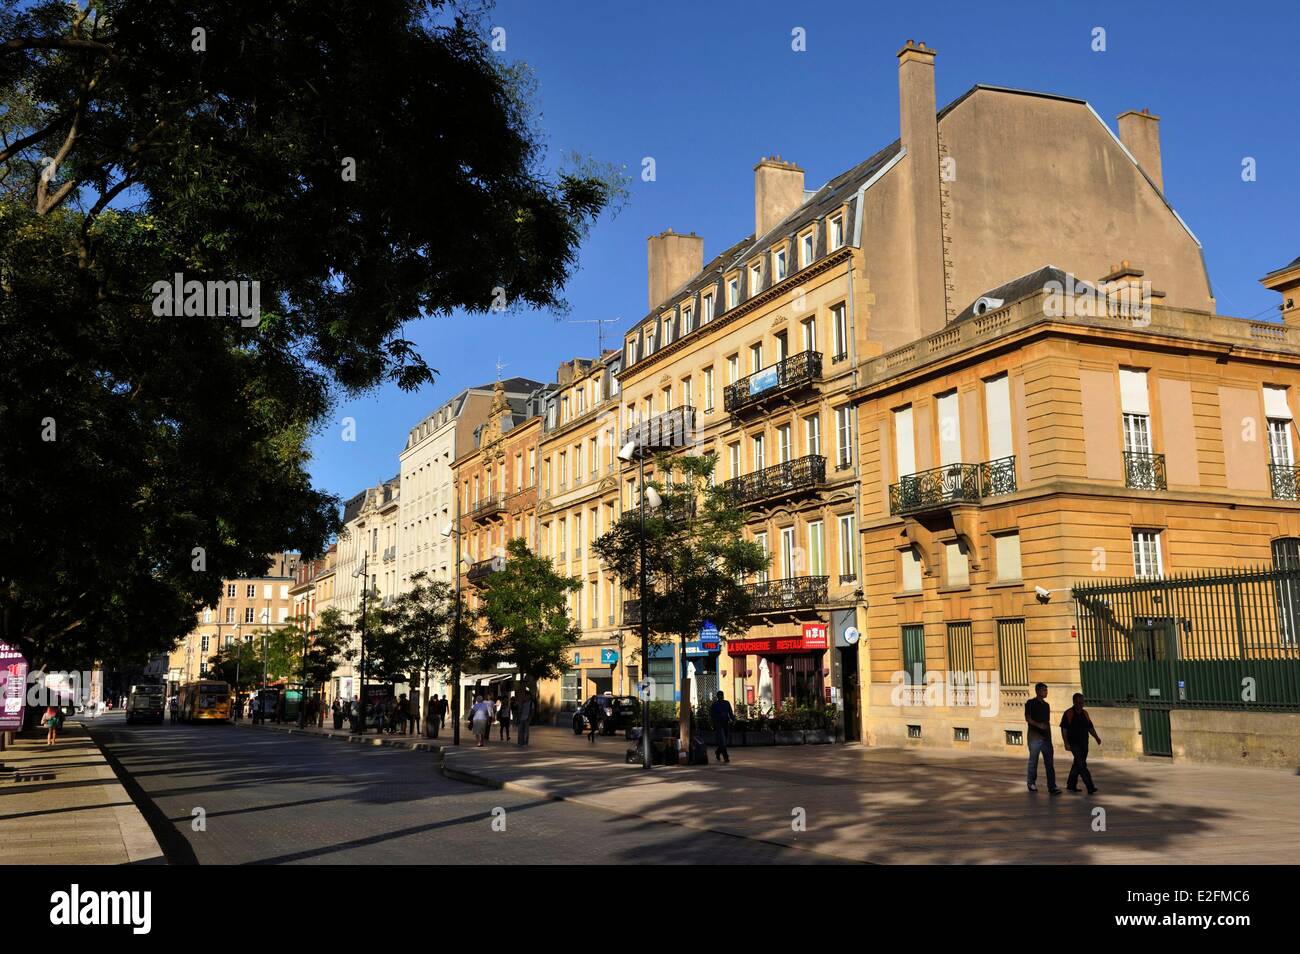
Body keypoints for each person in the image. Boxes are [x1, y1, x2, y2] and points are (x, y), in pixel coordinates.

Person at [1060, 693, 1102, 794]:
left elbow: (1090, 727)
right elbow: (1064, 729)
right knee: (1082, 765)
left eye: (1082, 702)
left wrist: (1096, 737)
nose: (1081, 704)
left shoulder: (1085, 713)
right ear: (1074, 702)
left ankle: (1070, 785)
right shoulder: (1068, 713)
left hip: (1084, 743)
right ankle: (1090, 787)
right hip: (1074, 744)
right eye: (1078, 702)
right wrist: (1066, 743)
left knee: (1077, 764)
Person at [1025, 682, 1061, 795]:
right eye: (1043, 690)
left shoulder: (1046, 705)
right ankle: (1031, 783)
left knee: (1049, 763)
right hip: (1034, 738)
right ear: (1037, 691)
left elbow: (1047, 721)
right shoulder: (1030, 703)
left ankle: (1052, 786)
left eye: (1046, 690)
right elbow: (1028, 718)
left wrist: (1048, 735)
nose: (1046, 692)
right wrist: (1038, 725)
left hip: (1046, 738)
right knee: (1033, 762)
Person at [710, 690, 734, 763]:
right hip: (718, 724)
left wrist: (733, 719)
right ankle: (726, 757)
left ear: (723, 696)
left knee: (725, 741)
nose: (721, 697)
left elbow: (730, 712)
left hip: (726, 724)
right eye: (719, 695)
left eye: (721, 695)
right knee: (722, 741)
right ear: (717, 696)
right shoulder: (714, 705)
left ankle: (718, 752)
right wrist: (720, 716)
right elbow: (712, 715)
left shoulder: (726, 703)